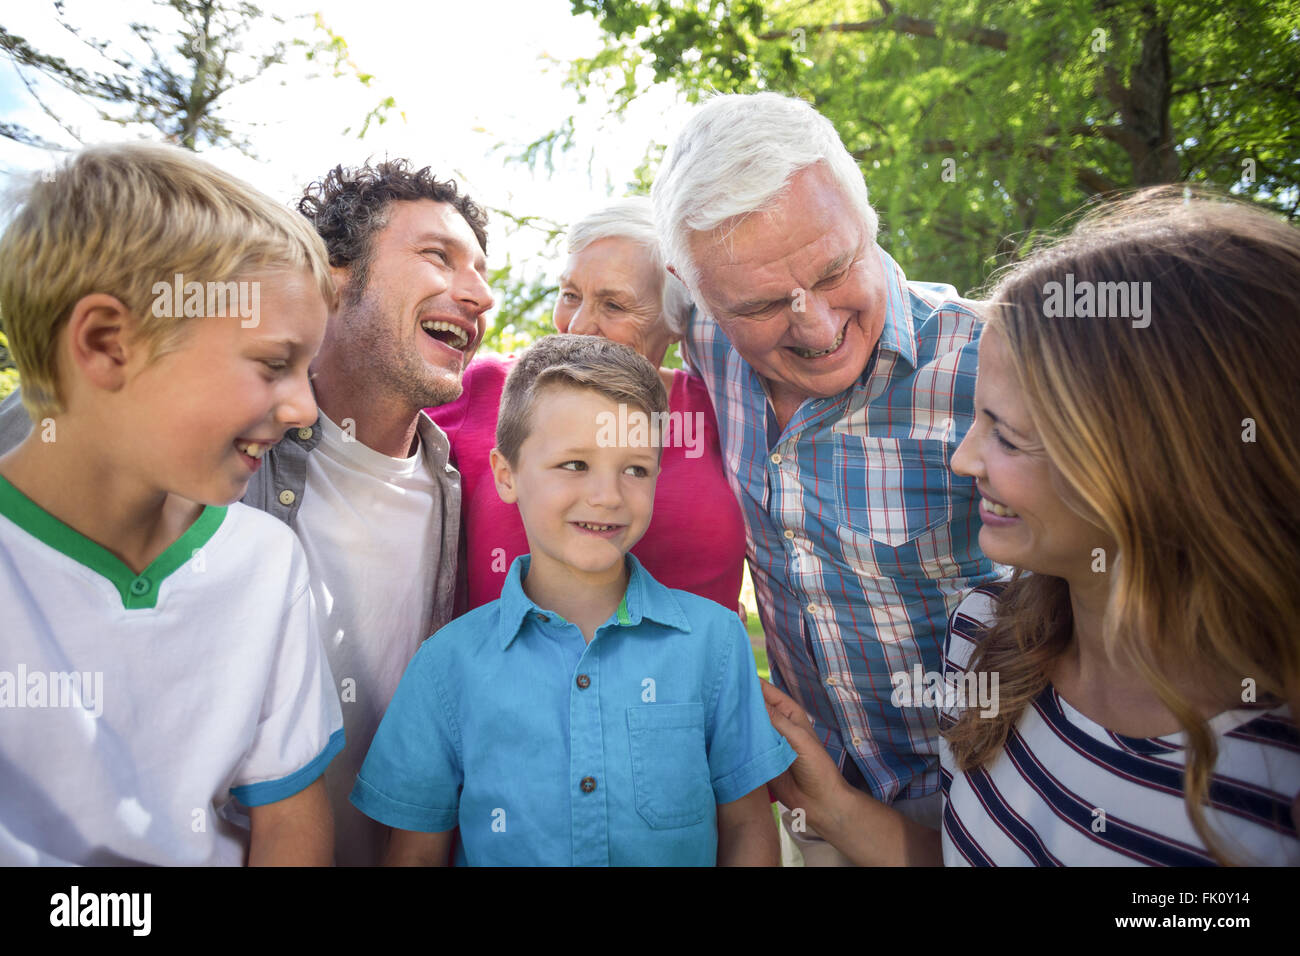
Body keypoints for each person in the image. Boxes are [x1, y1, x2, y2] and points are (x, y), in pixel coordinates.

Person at [763, 188, 1300, 865]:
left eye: (1008, 438)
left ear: (1163, 470)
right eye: (976, 420)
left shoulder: (1269, 779)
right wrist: (831, 807)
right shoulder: (987, 641)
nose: (964, 460)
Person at [0, 158, 495, 865]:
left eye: (482, 269)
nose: (478, 293)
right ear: (334, 278)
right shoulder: (157, 440)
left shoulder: (457, 481)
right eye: (438, 256)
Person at [651, 91, 1000, 863]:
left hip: (995, 793)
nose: (815, 325)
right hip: (822, 796)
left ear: (867, 219)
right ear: (695, 289)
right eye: (765, 305)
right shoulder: (706, 343)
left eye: (837, 268)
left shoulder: (991, 368)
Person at [0, 142, 343, 865]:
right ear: (106, 344)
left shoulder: (263, 559)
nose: (305, 408)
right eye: (274, 364)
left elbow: (289, 821)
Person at [351, 335, 795, 865]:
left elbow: (747, 827)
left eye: (635, 469)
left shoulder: (716, 644)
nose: (607, 496)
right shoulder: (446, 666)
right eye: (575, 465)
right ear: (505, 475)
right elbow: (415, 853)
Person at [430, 197, 746, 612]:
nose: (577, 326)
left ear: (674, 324)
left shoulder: (722, 412)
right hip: (512, 672)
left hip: (699, 673)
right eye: (570, 294)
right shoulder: (484, 389)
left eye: (614, 305)